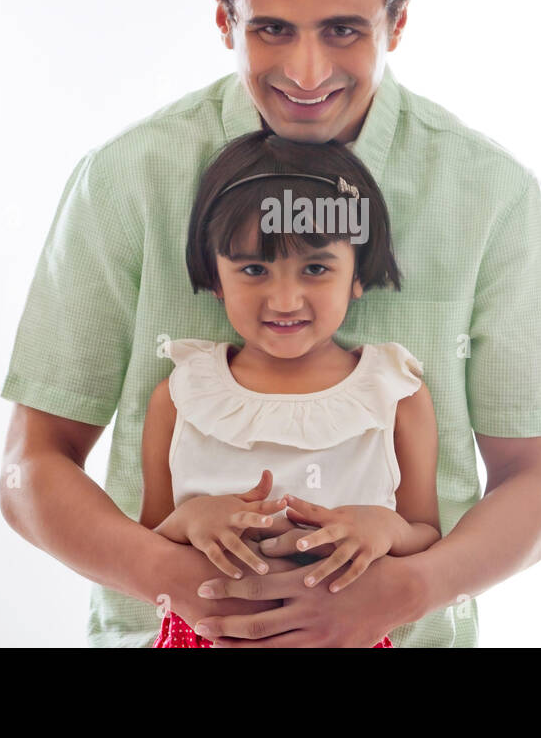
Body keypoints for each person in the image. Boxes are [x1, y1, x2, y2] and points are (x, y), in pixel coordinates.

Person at [0, 0, 541, 647]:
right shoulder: (124, 180)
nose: (306, 72)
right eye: (271, 30)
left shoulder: (495, 197)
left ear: (398, 22)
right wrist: (172, 579)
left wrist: (406, 588)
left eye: (344, 30)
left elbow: (537, 484)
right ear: (222, 19)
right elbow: (32, 466)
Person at [141, 132, 442, 647]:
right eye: (254, 269)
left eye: (316, 269)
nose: (284, 300)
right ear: (215, 276)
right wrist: (191, 518)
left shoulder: (396, 396)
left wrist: (384, 529)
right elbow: (148, 536)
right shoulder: (180, 396)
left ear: (357, 273)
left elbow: (425, 532)